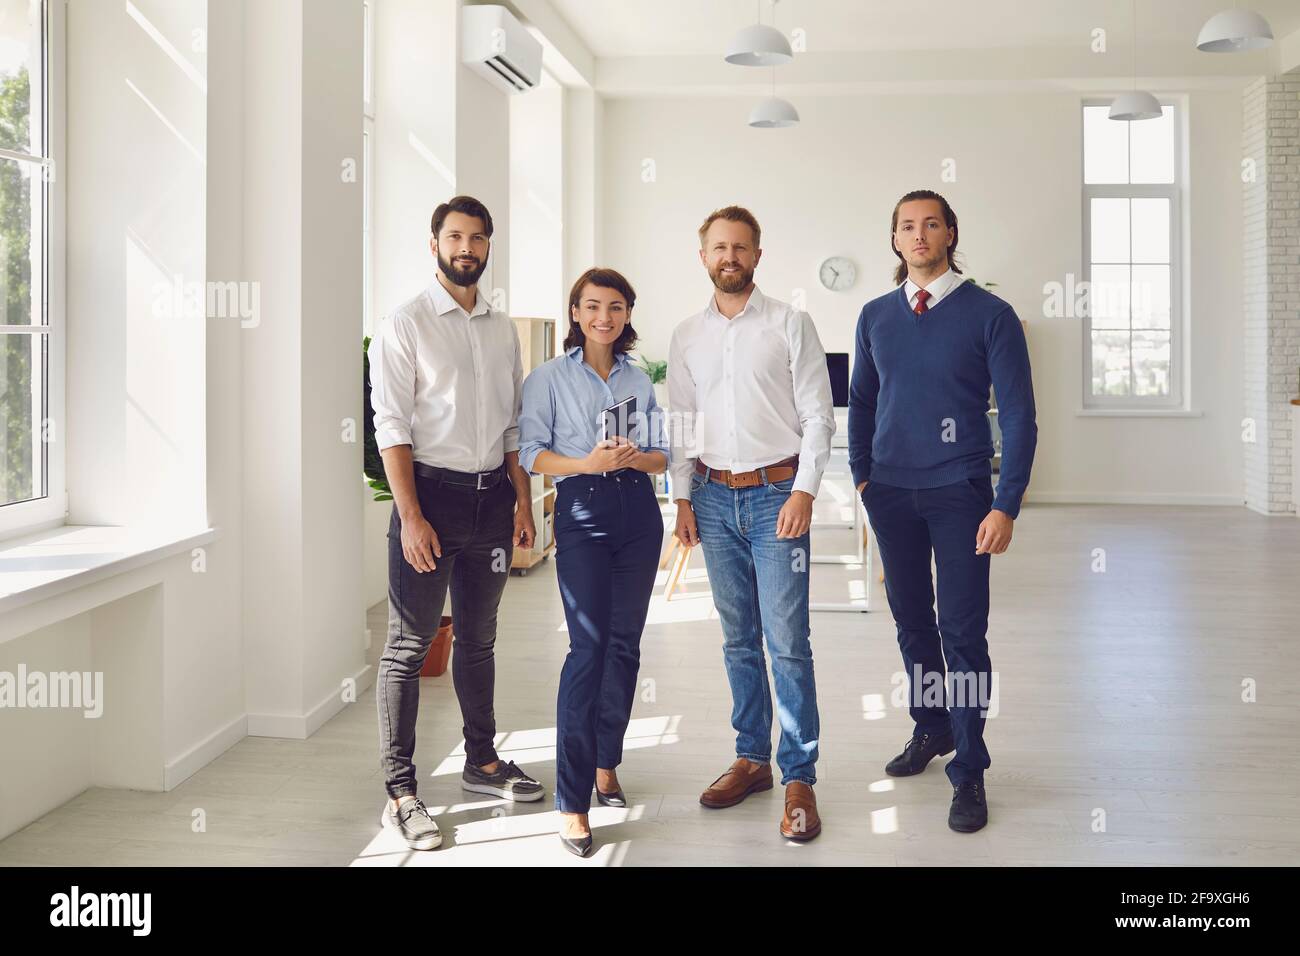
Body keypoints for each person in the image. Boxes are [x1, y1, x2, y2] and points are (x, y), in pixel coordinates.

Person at [848, 188, 1037, 833]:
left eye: (932, 224)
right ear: (895, 240)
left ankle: (972, 768)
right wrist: (863, 479)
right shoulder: (875, 316)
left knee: (962, 632)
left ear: (951, 234)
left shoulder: (991, 314)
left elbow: (1017, 414)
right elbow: (863, 404)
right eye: (907, 226)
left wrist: (1006, 501)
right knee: (912, 623)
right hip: (891, 494)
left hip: (961, 491)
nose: (920, 234)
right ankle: (932, 728)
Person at [369, 195, 544, 851]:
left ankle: (481, 761)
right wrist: (410, 516)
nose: (465, 248)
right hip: (432, 502)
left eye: (476, 238)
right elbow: (391, 426)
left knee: (478, 640)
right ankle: (401, 793)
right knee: (408, 648)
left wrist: (523, 502)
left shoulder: (501, 328)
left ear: (489, 246)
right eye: (454, 237)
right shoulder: (406, 323)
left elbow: (511, 426)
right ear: (434, 243)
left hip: (492, 503)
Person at [668, 206, 835, 842]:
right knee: (739, 638)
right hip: (711, 497)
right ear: (703, 255)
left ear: (757, 256)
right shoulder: (686, 335)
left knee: (787, 640)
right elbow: (682, 422)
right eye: (719, 247)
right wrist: (681, 499)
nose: (729, 257)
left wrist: (804, 491)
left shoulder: (790, 324)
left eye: (740, 247)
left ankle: (800, 775)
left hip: (776, 497)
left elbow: (819, 416)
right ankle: (751, 758)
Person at [518, 268, 669, 857]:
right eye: (591, 306)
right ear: (575, 314)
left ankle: (608, 761)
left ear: (627, 314)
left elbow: (664, 455)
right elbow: (531, 455)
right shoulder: (547, 379)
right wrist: (588, 464)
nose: (603, 316)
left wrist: (638, 456)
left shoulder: (641, 378)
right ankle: (572, 800)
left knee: (626, 645)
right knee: (588, 650)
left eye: (615, 306)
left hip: (638, 514)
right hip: (583, 514)